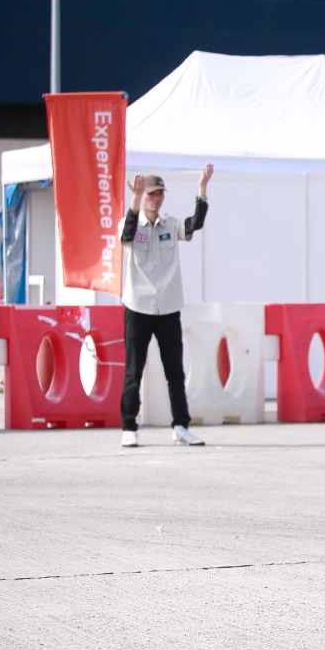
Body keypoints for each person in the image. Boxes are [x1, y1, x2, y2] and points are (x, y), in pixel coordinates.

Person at [118, 164, 213, 447]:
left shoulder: (170, 224)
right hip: (138, 307)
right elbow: (127, 234)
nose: (156, 199)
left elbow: (194, 223)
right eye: (151, 194)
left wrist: (202, 188)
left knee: (175, 370)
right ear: (141, 196)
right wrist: (134, 201)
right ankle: (128, 426)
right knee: (133, 370)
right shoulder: (131, 223)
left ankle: (181, 426)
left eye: (160, 194)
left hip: (168, 307)